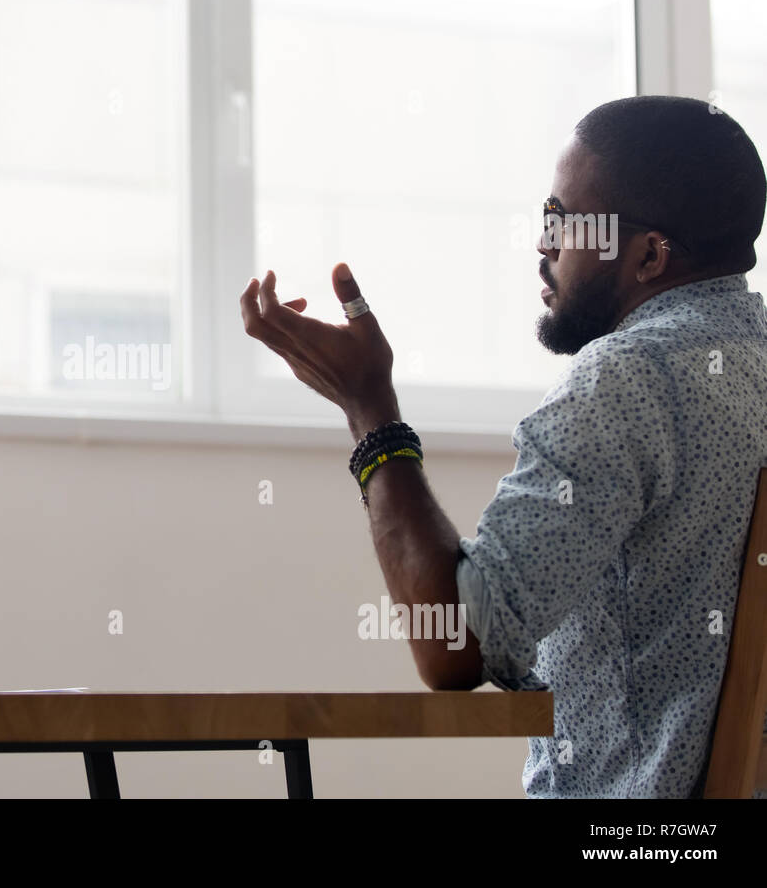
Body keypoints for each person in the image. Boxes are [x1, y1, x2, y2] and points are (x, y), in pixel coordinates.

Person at [240, 95, 767, 798]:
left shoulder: (626, 383)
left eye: (563, 221)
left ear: (648, 255)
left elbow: (455, 644)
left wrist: (369, 408)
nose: (543, 243)